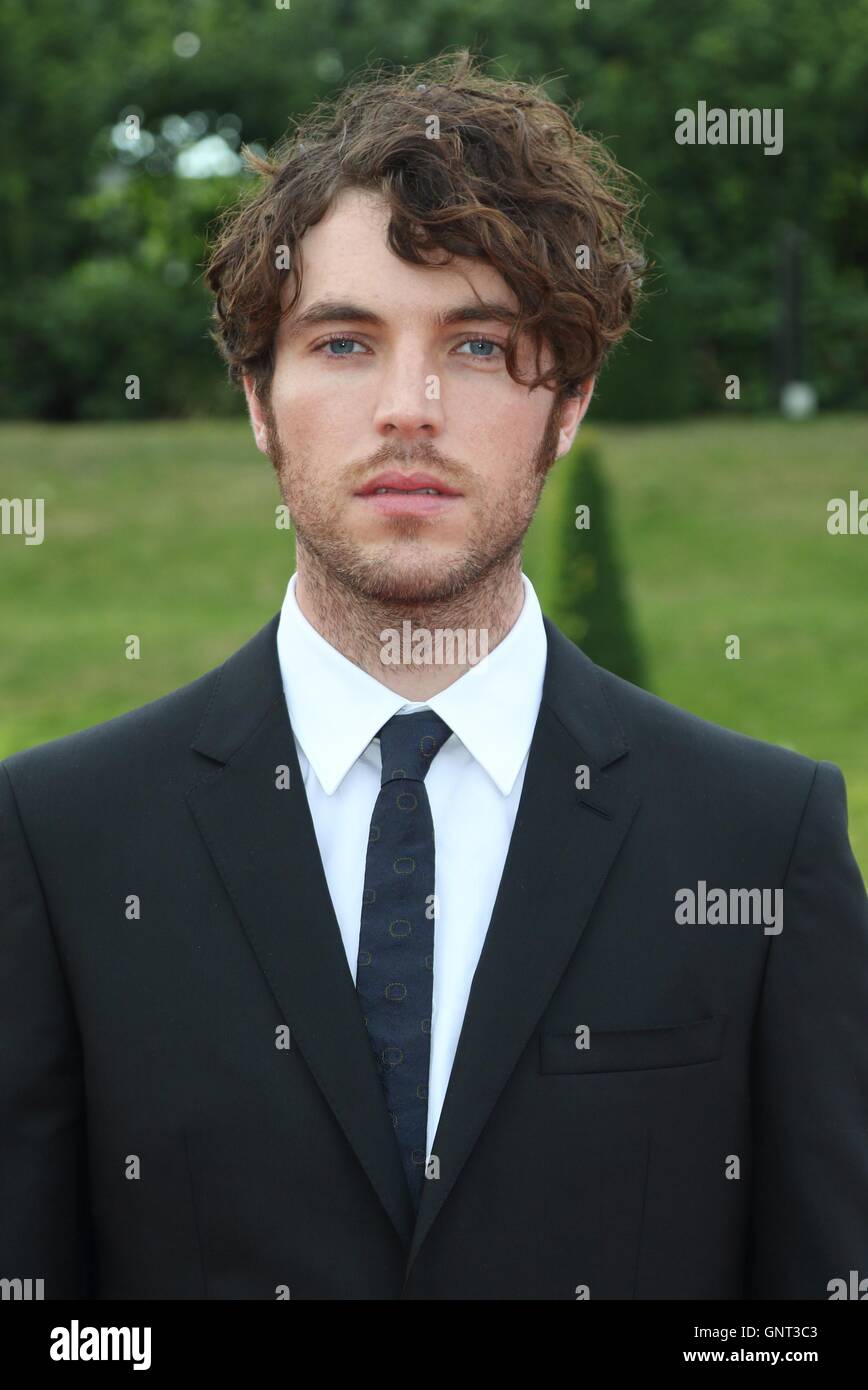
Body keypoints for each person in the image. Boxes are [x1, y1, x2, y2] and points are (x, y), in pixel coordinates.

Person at [1, 51, 866, 1301]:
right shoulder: (61, 841)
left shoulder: (758, 841)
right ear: (258, 395)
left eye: (476, 346)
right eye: (344, 341)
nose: (408, 408)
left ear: (566, 401)